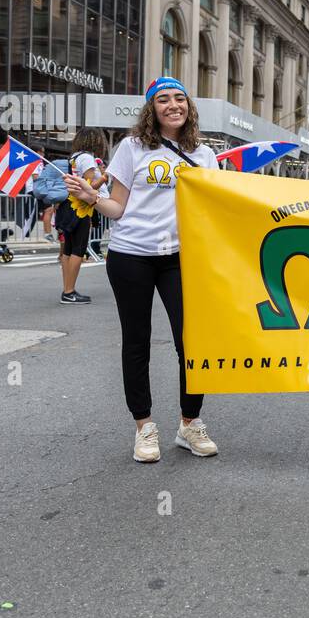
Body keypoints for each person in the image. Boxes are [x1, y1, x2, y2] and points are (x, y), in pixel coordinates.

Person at [64, 77, 220, 463]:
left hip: (181, 258)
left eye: (179, 98)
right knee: (137, 341)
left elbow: (214, 211)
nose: (173, 105)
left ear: (189, 106)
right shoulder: (131, 149)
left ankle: (189, 423)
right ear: (152, 108)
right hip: (131, 253)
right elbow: (118, 207)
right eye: (163, 100)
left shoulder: (204, 154)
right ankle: (144, 426)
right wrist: (92, 197)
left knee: (193, 343)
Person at [55, 129, 108, 305]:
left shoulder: (75, 157)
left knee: (68, 249)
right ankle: (69, 291)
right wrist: (105, 177)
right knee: (78, 248)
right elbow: (90, 186)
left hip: (68, 205)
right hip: (81, 208)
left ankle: (67, 289)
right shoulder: (87, 158)